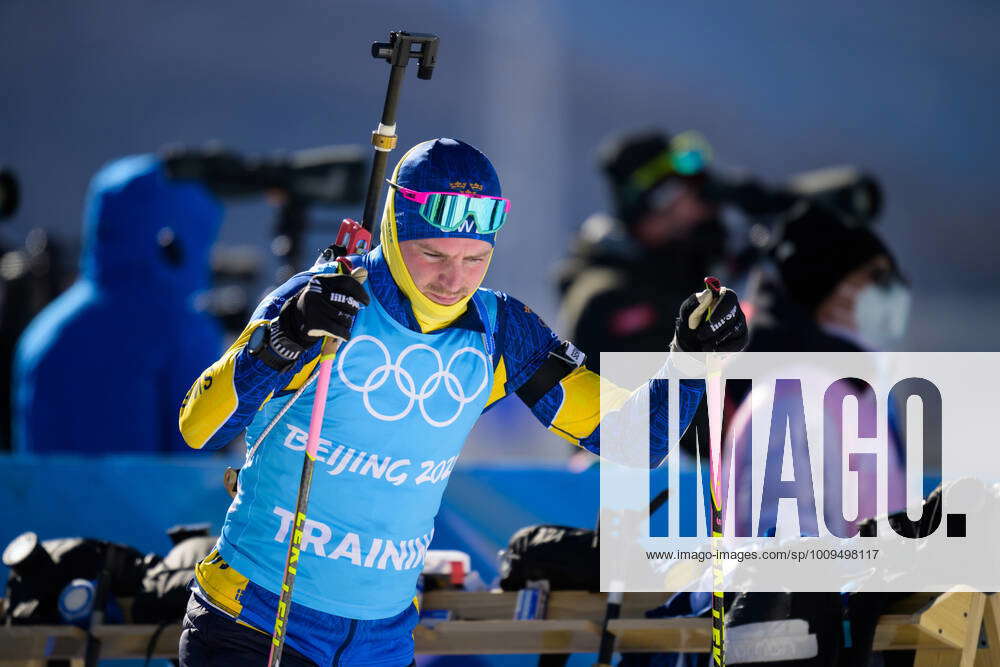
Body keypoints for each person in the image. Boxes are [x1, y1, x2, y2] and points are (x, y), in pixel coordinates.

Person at [176, 138, 748, 666]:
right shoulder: (327, 302)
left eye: (474, 259)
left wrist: (689, 359)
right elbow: (200, 426)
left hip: (380, 640)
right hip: (253, 621)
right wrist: (284, 339)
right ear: (394, 231)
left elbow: (632, 441)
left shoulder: (500, 330)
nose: (453, 279)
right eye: (433, 255)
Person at [13, 154, 223, 453]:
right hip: (152, 501)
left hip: (48, 501)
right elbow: (200, 457)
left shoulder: (43, 333)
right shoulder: (180, 330)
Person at [557, 128, 727, 372]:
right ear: (653, 209)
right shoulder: (605, 299)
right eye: (689, 193)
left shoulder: (710, 264)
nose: (702, 207)